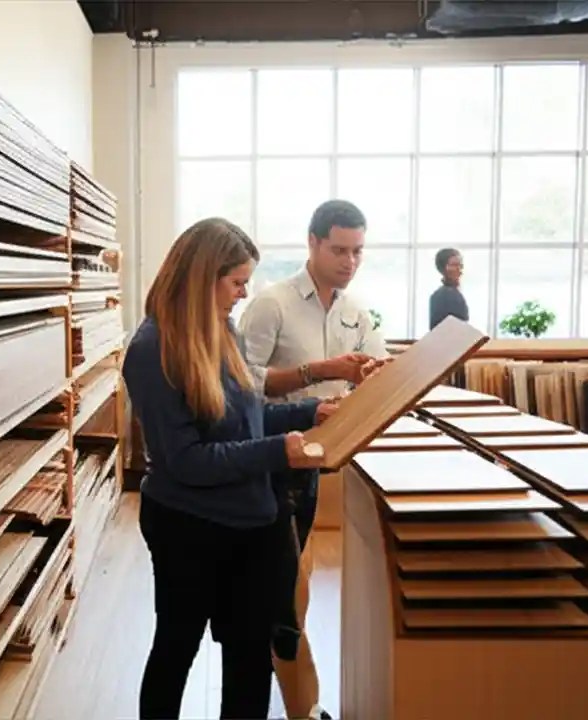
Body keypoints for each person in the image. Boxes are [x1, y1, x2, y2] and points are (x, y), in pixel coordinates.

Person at [123, 217, 335, 720]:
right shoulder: (153, 349)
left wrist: (310, 413)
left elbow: (246, 420)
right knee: (177, 647)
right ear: (202, 278)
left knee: (248, 657)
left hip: (250, 523)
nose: (243, 293)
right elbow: (187, 461)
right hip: (188, 528)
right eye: (237, 282)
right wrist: (277, 452)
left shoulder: (225, 332)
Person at [237, 199, 390, 720]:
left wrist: (376, 375)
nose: (350, 261)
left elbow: (377, 371)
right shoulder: (270, 303)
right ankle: (284, 695)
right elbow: (242, 385)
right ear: (313, 242)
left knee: (293, 573)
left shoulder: (356, 313)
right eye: (340, 249)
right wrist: (316, 370)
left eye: (358, 251)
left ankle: (289, 692)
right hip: (272, 459)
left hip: (324, 462)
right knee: (277, 584)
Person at [428, 247, 469, 329]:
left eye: (460, 265)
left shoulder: (455, 293)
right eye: (454, 265)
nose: (459, 270)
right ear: (443, 268)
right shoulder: (442, 296)